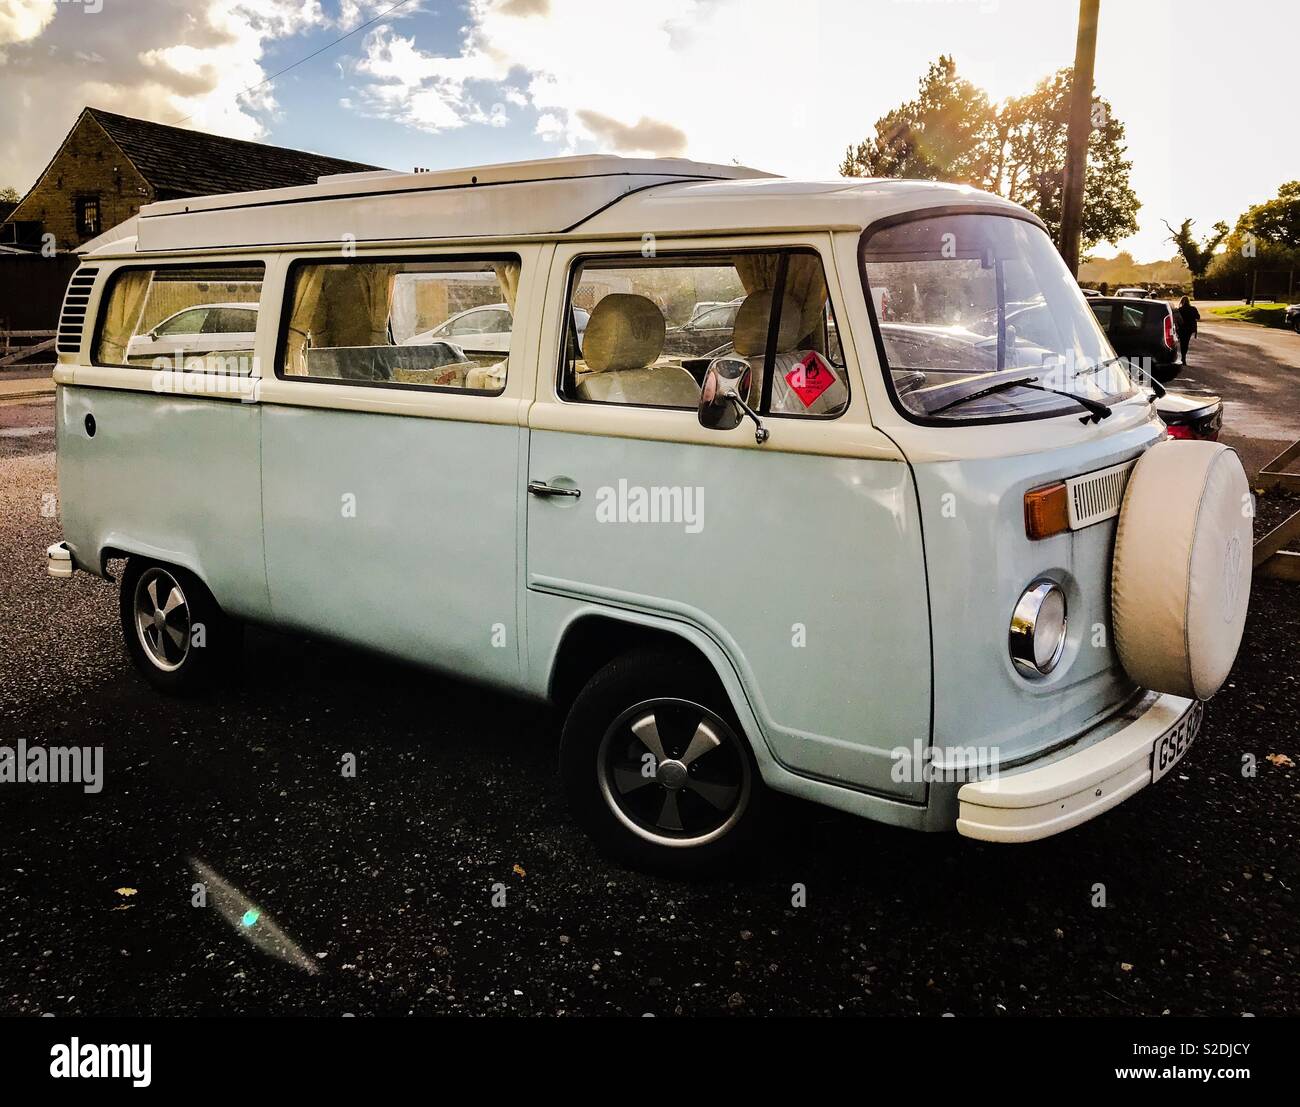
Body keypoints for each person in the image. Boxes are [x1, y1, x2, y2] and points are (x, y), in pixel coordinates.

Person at [1175, 295, 1199, 364]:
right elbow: (1198, 317)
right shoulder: (1193, 309)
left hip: (1181, 328)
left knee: (1182, 343)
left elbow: (1176, 319)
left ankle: (1183, 357)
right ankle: (1183, 357)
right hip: (1189, 328)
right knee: (1186, 342)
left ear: (1181, 302)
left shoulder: (1179, 310)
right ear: (1188, 301)